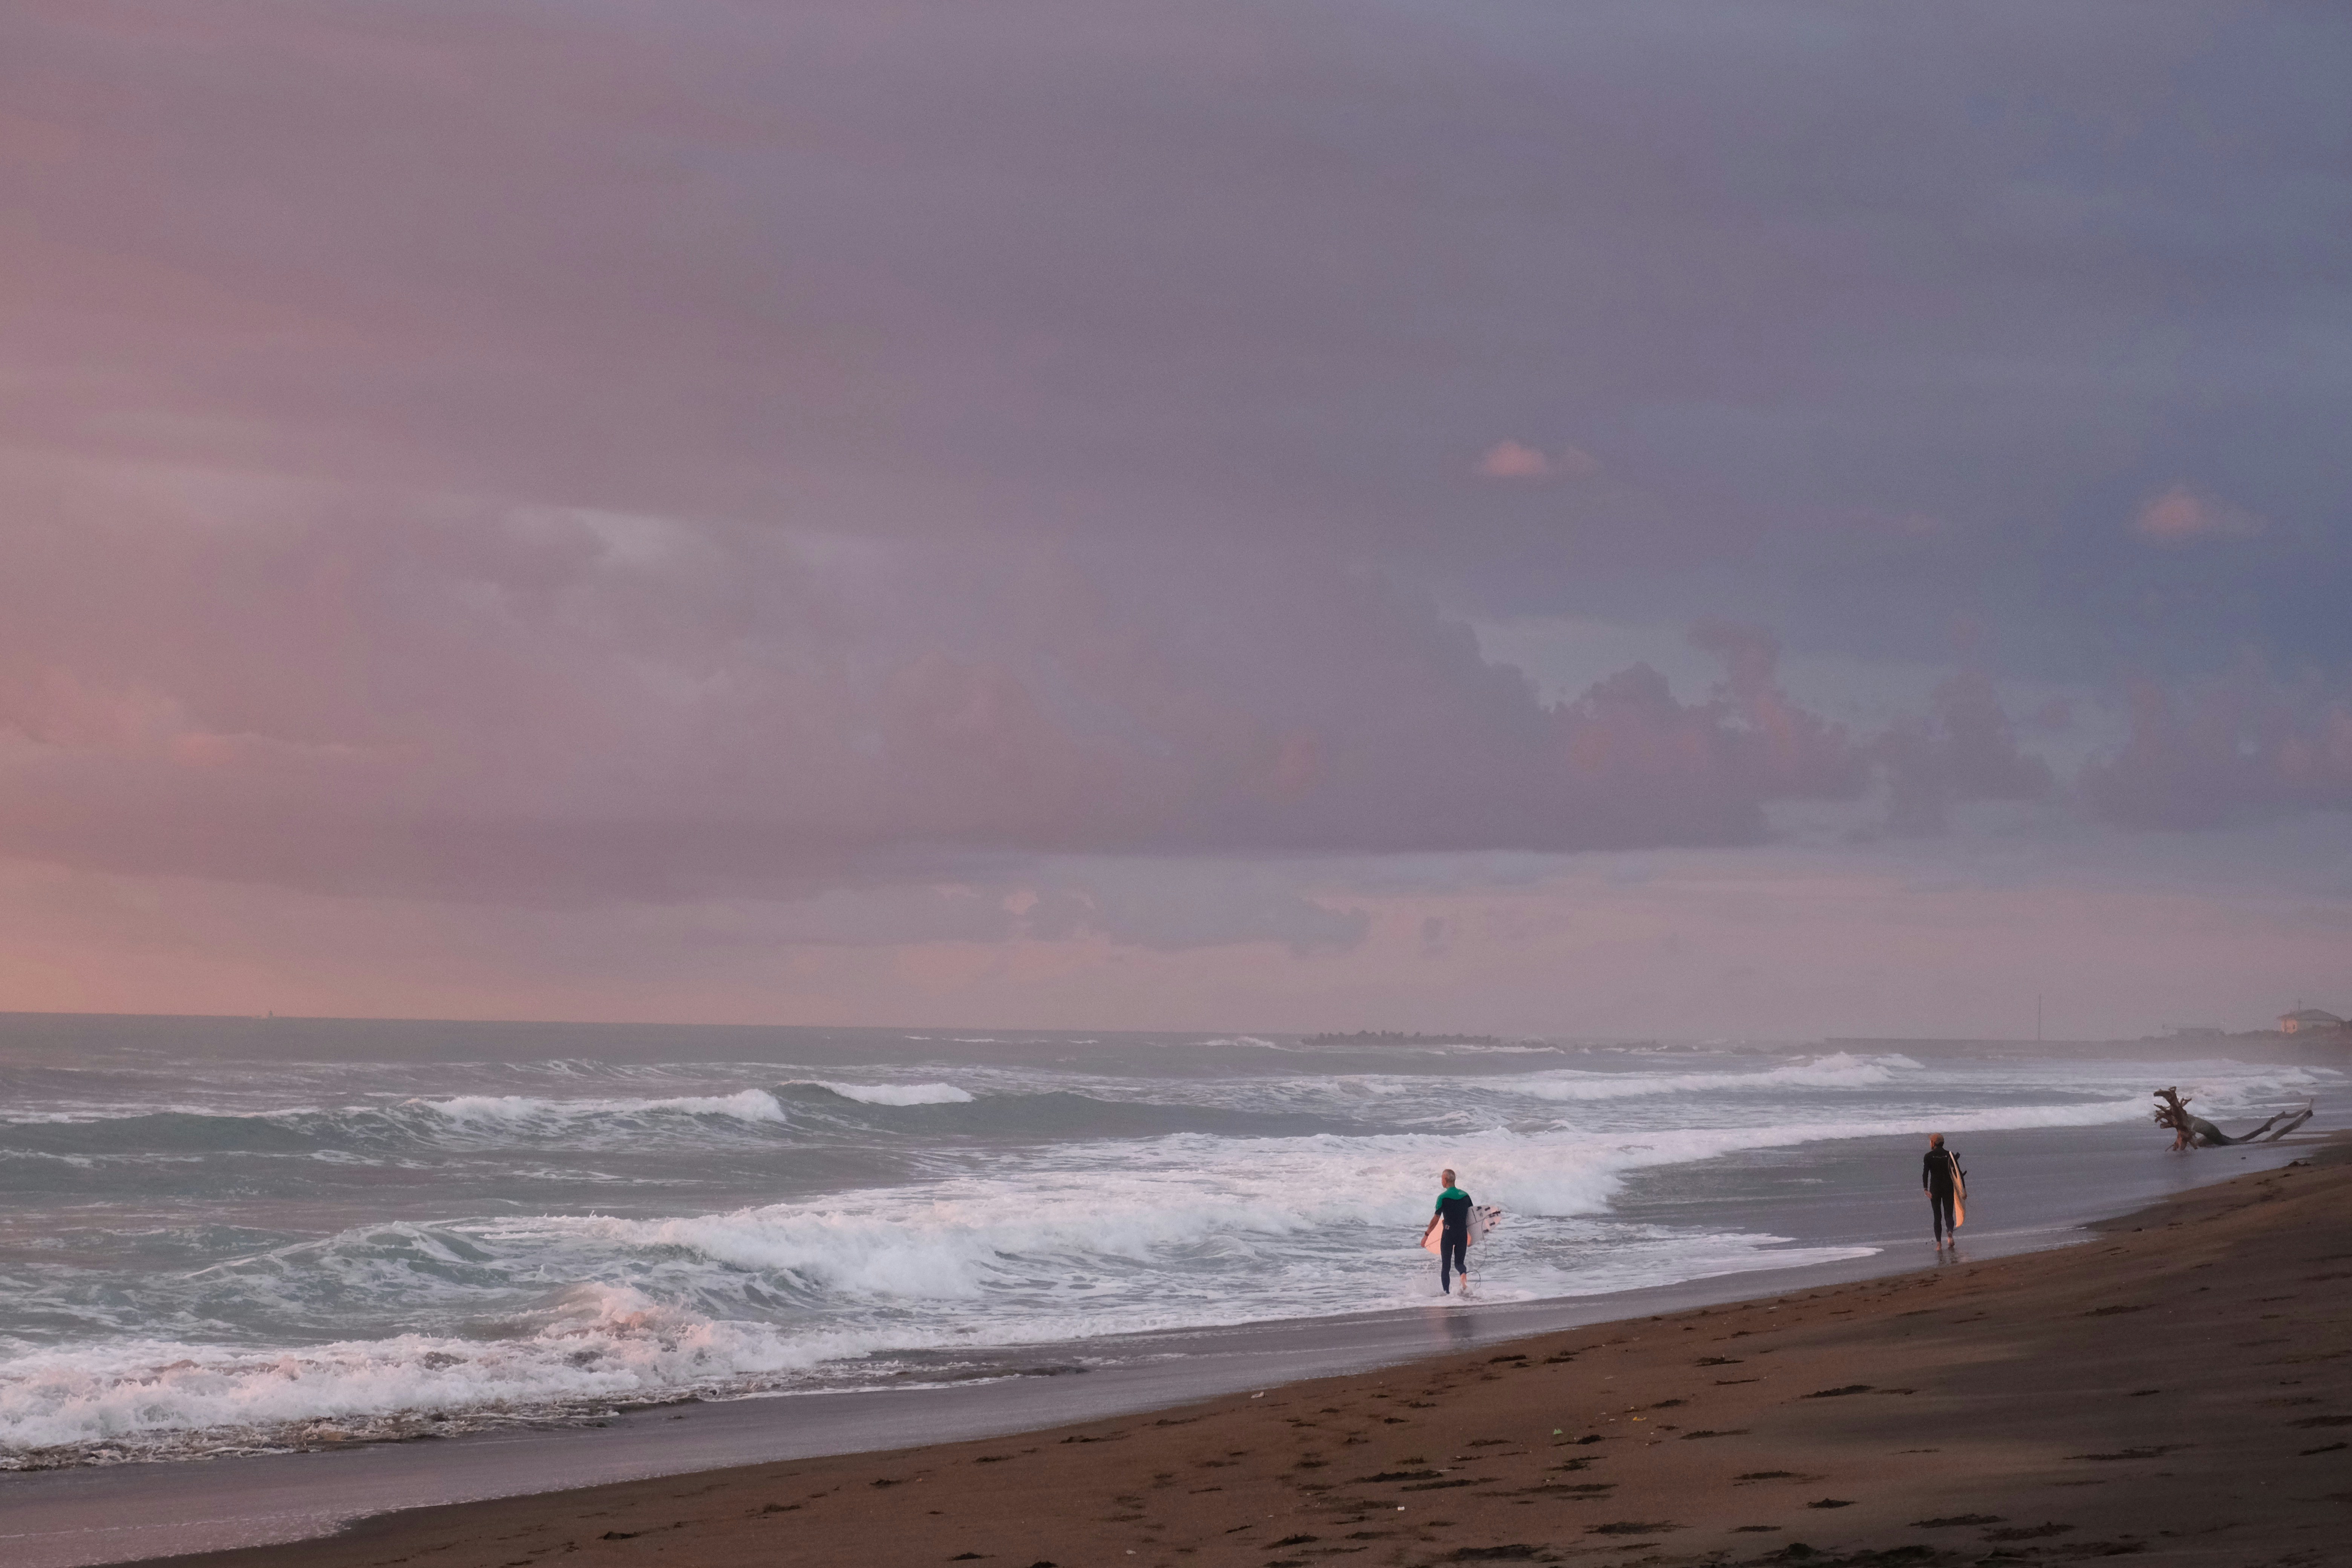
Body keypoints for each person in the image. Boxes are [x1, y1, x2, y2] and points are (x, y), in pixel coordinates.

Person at [1424, 1168, 1474, 1294]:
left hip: (1448, 1233)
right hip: (1462, 1233)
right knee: (1459, 1263)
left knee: (1446, 1266)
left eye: (1442, 1179)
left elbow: (1436, 1219)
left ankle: (1447, 1294)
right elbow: (1472, 1216)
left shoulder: (1443, 1197)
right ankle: (1463, 1276)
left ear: (1445, 1180)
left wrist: (1426, 1236)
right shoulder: (1465, 1196)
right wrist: (1470, 1234)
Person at [1922, 1133, 1964, 1249]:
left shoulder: (1928, 1156)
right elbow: (1958, 1174)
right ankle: (1950, 1233)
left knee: (1937, 1216)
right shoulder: (1949, 1155)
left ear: (1933, 1143)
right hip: (1948, 1187)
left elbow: (1925, 1173)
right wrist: (1962, 1190)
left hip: (1935, 1189)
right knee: (1948, 1214)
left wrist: (1926, 1189)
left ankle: (1939, 1244)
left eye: (1931, 1141)